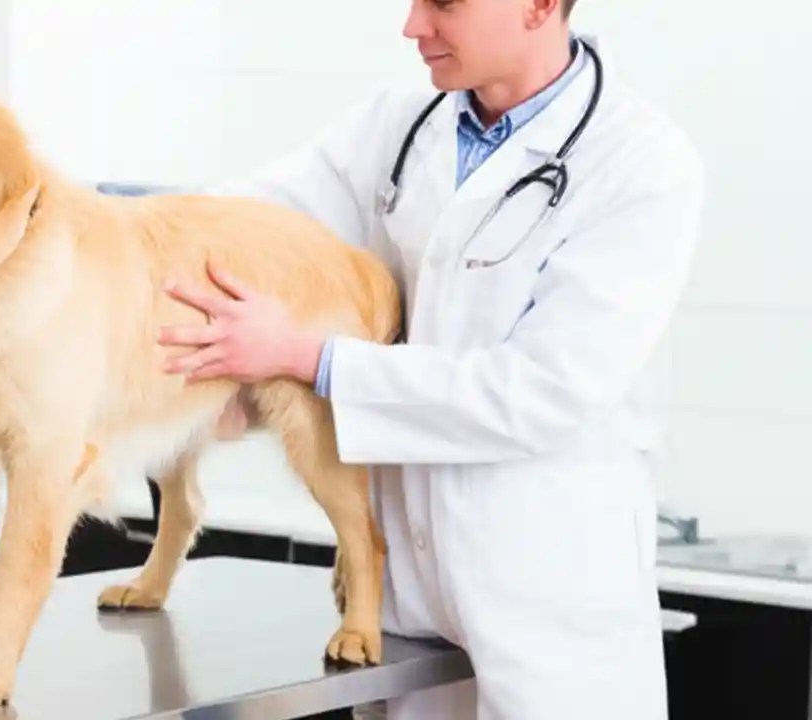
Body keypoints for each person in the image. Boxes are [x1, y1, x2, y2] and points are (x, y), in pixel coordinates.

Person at [158, 0, 705, 718]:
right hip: (408, 608)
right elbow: (253, 215)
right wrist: (91, 227)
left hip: (550, 606)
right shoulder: (401, 124)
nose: (413, 26)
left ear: (540, 4)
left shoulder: (641, 165)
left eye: (443, 3)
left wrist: (307, 356)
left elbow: (540, 389)